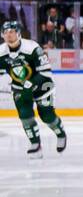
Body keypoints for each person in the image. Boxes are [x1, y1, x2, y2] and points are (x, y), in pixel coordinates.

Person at [1, 20, 67, 157]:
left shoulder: (32, 48)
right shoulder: (1, 52)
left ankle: (60, 134)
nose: (8, 35)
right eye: (5, 33)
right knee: (25, 116)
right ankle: (35, 144)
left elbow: (46, 73)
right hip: (20, 88)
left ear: (18, 33)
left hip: (43, 86)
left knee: (47, 117)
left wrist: (30, 85)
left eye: (11, 32)